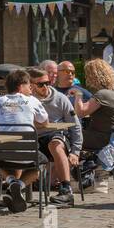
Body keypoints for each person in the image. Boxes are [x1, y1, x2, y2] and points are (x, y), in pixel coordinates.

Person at [0, 68, 49, 212]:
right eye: (29, 85)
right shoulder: (31, 100)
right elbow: (45, 121)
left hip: (1, 155)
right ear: (21, 86)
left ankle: (11, 182)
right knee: (43, 163)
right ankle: (19, 185)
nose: (31, 89)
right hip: (26, 154)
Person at [28, 66, 82, 206]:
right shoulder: (26, 100)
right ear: (31, 85)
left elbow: (75, 125)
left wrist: (76, 151)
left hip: (56, 136)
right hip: (34, 139)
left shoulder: (60, 98)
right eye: (41, 84)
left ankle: (66, 190)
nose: (45, 87)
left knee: (55, 145)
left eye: (47, 83)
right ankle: (16, 189)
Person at [72, 58, 114, 195]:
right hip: (109, 136)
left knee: (65, 138)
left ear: (94, 76)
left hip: (99, 138)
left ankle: (69, 180)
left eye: (88, 74)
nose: (87, 78)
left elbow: (81, 112)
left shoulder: (102, 94)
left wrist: (78, 95)